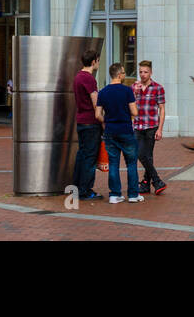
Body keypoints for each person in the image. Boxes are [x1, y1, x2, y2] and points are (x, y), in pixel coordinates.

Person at [96, 63, 141, 203]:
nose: (125, 74)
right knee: (131, 163)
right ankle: (133, 195)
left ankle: (115, 195)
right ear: (120, 74)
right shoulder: (127, 91)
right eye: (124, 72)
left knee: (114, 163)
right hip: (126, 130)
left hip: (110, 131)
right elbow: (134, 112)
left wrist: (106, 121)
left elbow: (97, 114)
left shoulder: (103, 92)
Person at [71, 48, 103, 200]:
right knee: (90, 157)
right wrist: (103, 121)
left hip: (81, 120)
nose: (98, 62)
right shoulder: (89, 79)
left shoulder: (78, 77)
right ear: (93, 61)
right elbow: (95, 102)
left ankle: (76, 187)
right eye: (98, 60)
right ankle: (85, 190)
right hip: (91, 122)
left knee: (82, 154)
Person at [132, 60, 167, 195]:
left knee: (146, 155)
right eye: (140, 72)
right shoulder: (134, 87)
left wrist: (160, 129)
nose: (143, 74)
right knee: (142, 154)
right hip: (137, 126)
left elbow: (162, 109)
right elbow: (131, 106)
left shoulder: (158, 88)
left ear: (151, 72)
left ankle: (148, 183)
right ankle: (156, 181)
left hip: (151, 126)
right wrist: (135, 93)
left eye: (145, 72)